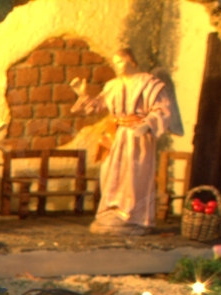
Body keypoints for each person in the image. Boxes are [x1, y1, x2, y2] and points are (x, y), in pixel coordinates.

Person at [70, 47, 182, 235]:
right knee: (109, 173)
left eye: (120, 61)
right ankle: (110, 212)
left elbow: (162, 110)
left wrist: (147, 124)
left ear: (131, 60)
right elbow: (98, 106)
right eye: (115, 62)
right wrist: (82, 94)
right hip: (116, 135)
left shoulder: (149, 83)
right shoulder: (113, 85)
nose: (117, 66)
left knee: (133, 175)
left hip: (138, 137)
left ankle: (132, 216)